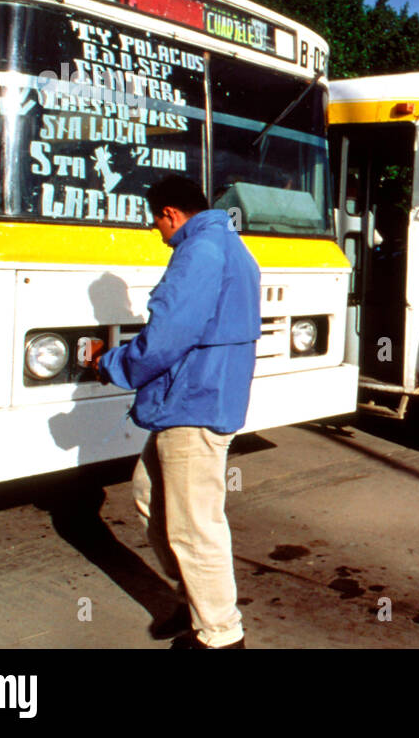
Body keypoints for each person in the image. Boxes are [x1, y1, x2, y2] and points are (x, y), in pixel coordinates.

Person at [90, 176, 261, 649]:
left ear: (170, 213)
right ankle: (195, 603)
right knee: (150, 495)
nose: (157, 231)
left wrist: (112, 364)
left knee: (193, 525)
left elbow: (166, 338)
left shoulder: (199, 252)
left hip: (192, 401)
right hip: (196, 396)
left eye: (156, 221)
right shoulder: (227, 243)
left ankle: (221, 636)